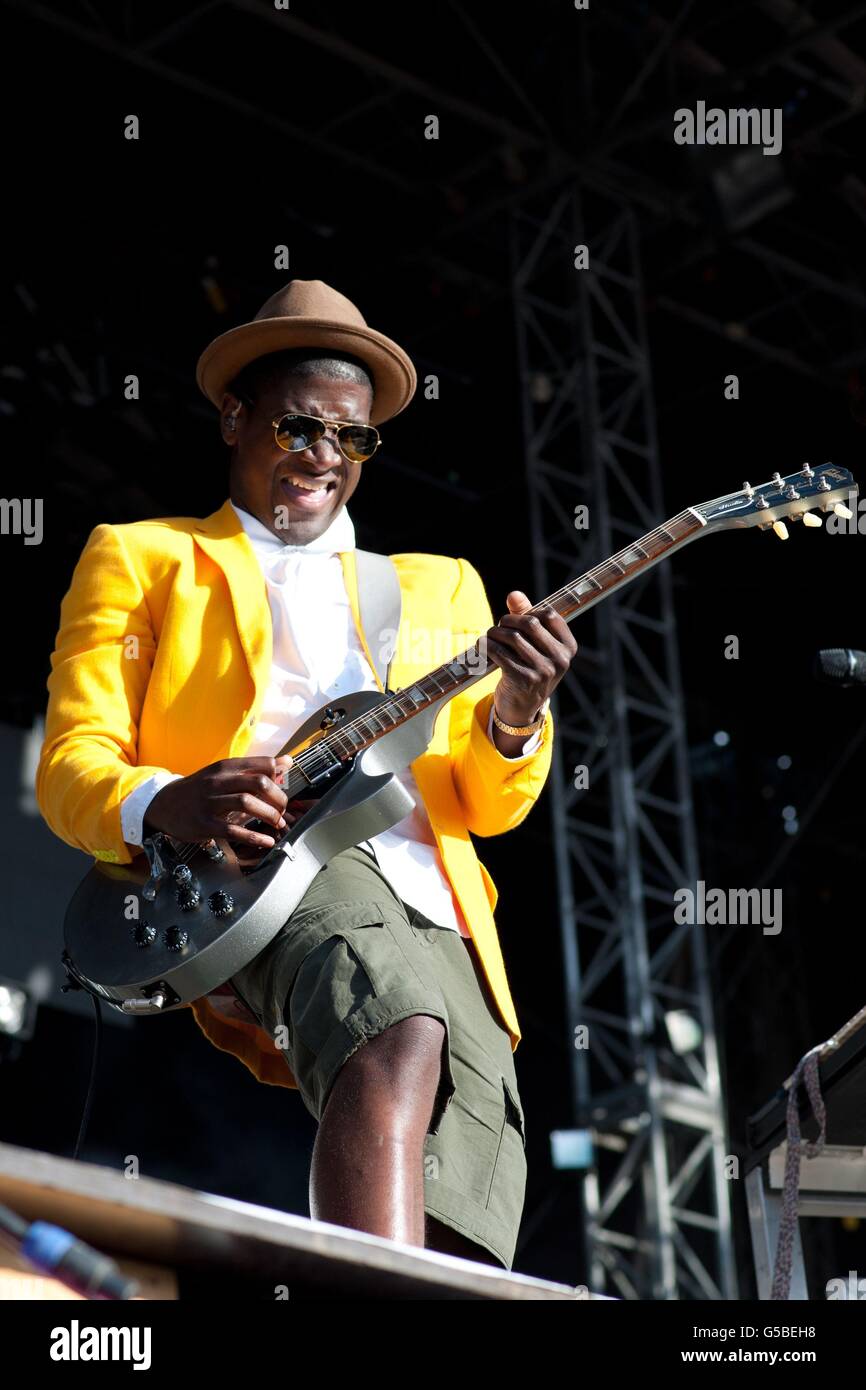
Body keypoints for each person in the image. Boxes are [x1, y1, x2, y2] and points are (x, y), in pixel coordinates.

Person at [36, 279, 578, 1271]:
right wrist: (167, 798)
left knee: (472, 1151)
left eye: (351, 438)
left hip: (437, 896)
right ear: (236, 415)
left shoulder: (437, 584)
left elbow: (483, 800)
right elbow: (71, 763)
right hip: (266, 868)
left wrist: (517, 712)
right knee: (397, 1020)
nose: (323, 455)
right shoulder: (145, 558)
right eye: (298, 424)